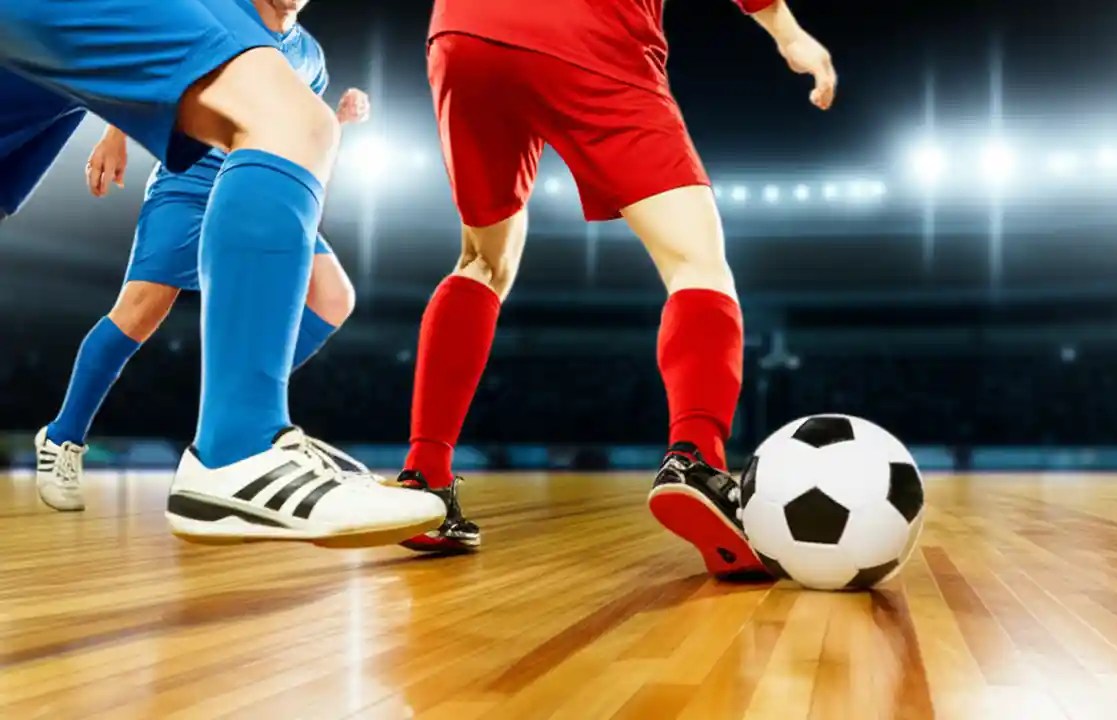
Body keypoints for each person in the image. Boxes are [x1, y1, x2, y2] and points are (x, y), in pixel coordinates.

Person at [397, 0, 836, 574]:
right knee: (696, 262)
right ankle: (696, 459)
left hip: (464, 31)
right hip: (588, 31)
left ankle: (425, 478)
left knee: (481, 261)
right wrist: (786, 30)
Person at [1, 0, 445, 544]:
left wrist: (337, 122)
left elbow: (306, 138)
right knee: (140, 311)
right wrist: (116, 134)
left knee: (332, 295)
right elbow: (151, 70)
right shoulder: (223, 9)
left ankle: (235, 415)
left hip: (250, 182)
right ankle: (82, 437)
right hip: (189, 185)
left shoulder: (309, 56)